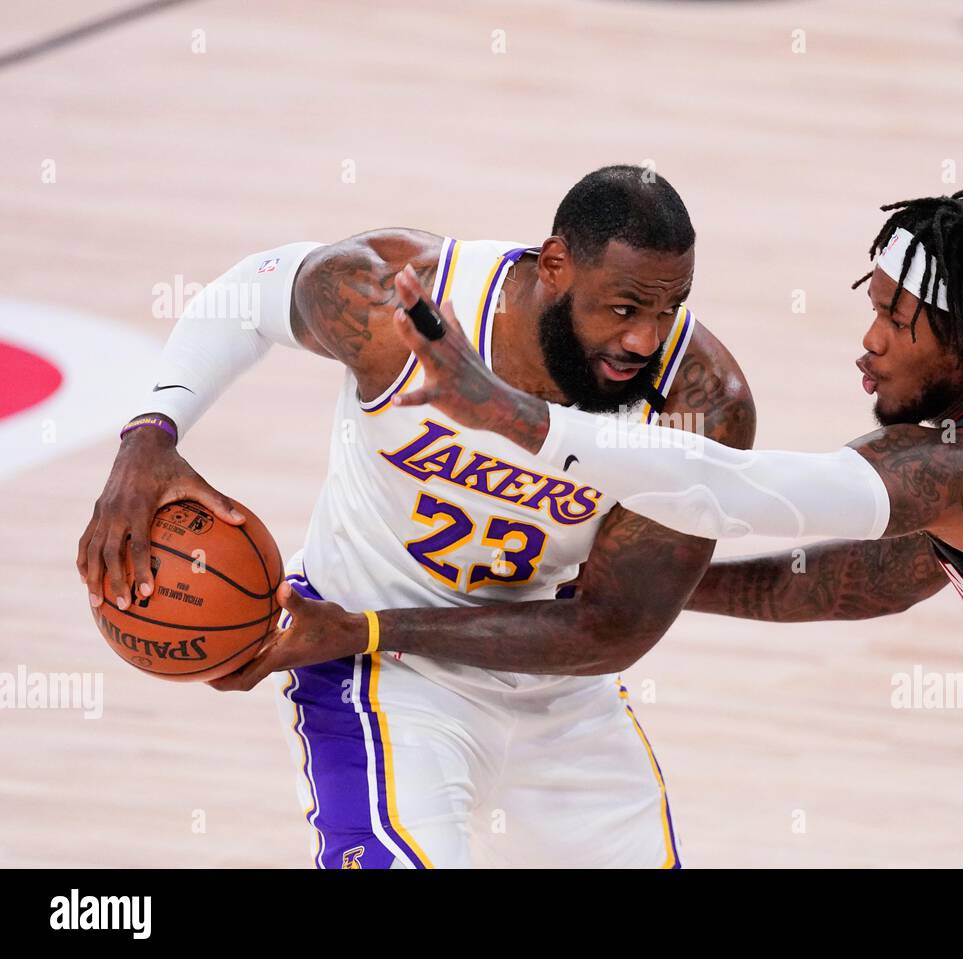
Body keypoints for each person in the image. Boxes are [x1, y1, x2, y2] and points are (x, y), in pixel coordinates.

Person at [375, 189, 963, 868]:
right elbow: (848, 579)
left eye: (899, 322)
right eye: (873, 309)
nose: (870, 342)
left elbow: (739, 490)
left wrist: (513, 416)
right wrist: (664, 584)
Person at [76, 165, 756, 868]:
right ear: (556, 265)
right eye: (623, 309)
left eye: (669, 309)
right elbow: (251, 293)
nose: (646, 339)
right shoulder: (403, 301)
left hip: (553, 677)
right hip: (376, 675)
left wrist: (366, 626)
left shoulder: (698, 404)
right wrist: (152, 431)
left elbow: (609, 629)